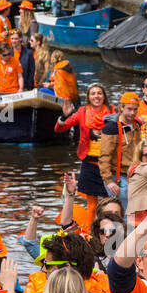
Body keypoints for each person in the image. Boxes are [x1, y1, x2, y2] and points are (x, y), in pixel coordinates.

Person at [55, 82, 112, 218]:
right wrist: (64, 116)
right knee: (91, 204)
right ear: (88, 97)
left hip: (108, 164)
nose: (96, 96)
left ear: (104, 96)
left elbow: (126, 123)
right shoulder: (82, 112)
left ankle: (108, 230)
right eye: (93, 93)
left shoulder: (113, 111)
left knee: (107, 203)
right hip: (89, 163)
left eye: (99, 93)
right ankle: (92, 233)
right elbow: (59, 129)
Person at [98, 90, 142, 204]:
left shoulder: (136, 125)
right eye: (129, 109)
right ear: (121, 108)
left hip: (134, 176)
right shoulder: (111, 128)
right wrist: (109, 182)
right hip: (117, 178)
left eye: (135, 109)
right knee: (124, 214)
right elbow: (104, 156)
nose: (132, 113)